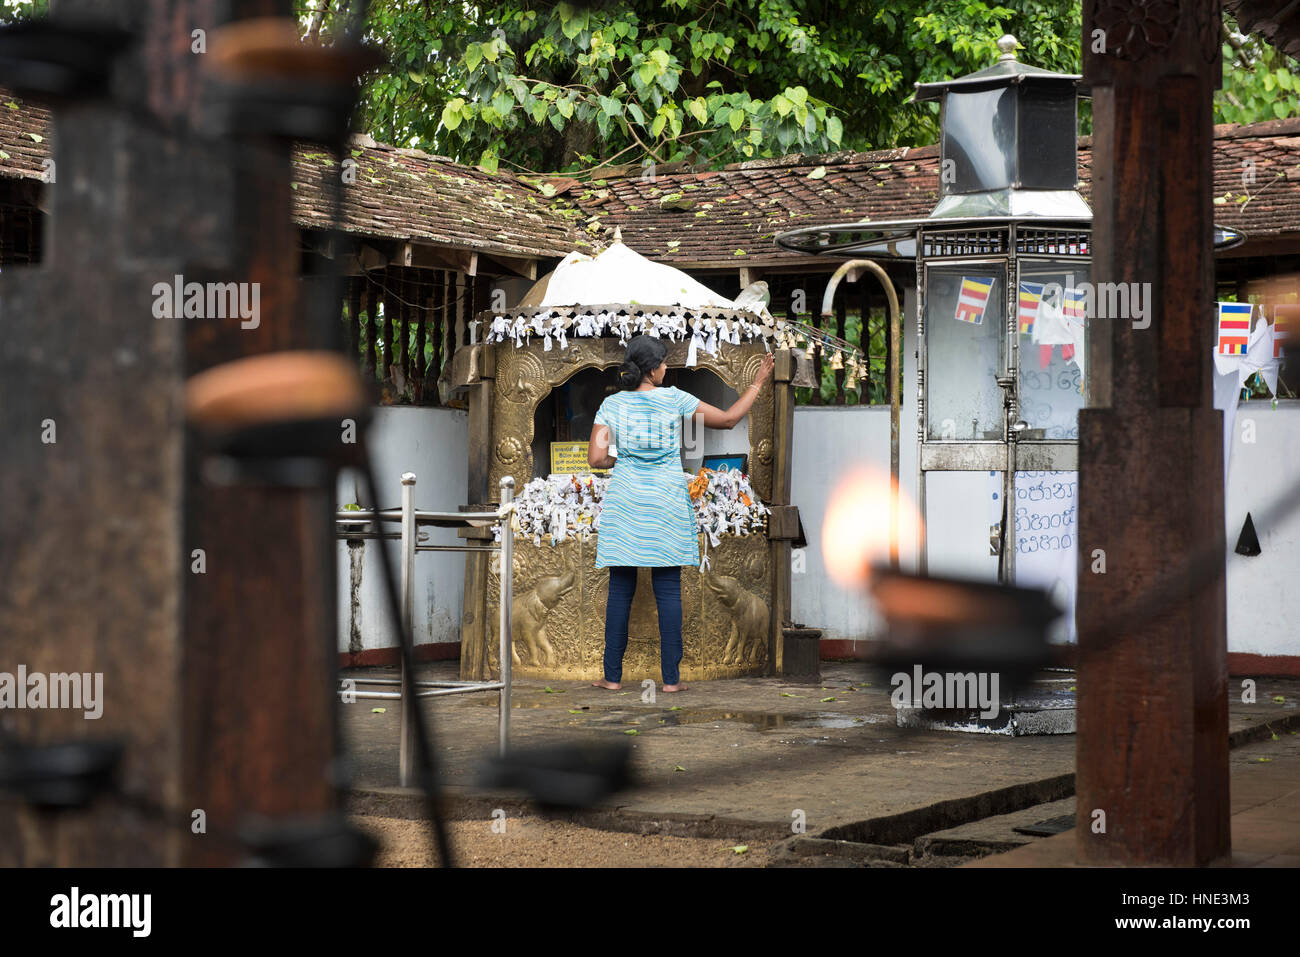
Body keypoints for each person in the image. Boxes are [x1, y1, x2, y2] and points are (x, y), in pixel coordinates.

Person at [587, 334, 775, 692]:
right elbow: (729, 419)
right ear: (652, 369)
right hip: (666, 503)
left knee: (620, 589)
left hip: (626, 502)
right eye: (663, 363)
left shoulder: (611, 405)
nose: (666, 368)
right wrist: (757, 383)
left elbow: (596, 459)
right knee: (668, 589)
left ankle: (612, 678)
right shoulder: (675, 399)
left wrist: (622, 458)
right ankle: (671, 681)